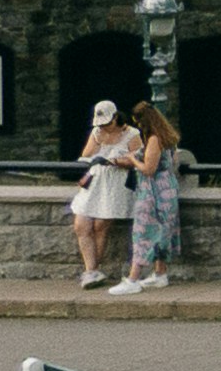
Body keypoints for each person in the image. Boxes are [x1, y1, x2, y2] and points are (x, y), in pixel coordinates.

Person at [128, 103, 193, 292]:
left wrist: (133, 160)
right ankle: (160, 273)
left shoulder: (154, 139)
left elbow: (149, 169)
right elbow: (172, 163)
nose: (138, 126)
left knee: (143, 232)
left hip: (153, 192)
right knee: (163, 232)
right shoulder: (168, 138)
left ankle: (133, 279)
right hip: (168, 190)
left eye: (138, 122)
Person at [68, 102, 132, 293]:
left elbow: (137, 159)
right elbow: (85, 157)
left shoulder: (131, 134)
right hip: (95, 182)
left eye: (107, 123)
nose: (103, 127)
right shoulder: (96, 133)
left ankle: (92, 270)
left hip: (115, 184)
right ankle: (91, 270)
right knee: (81, 225)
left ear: (115, 118)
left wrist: (115, 160)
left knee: (100, 226)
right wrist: (94, 154)